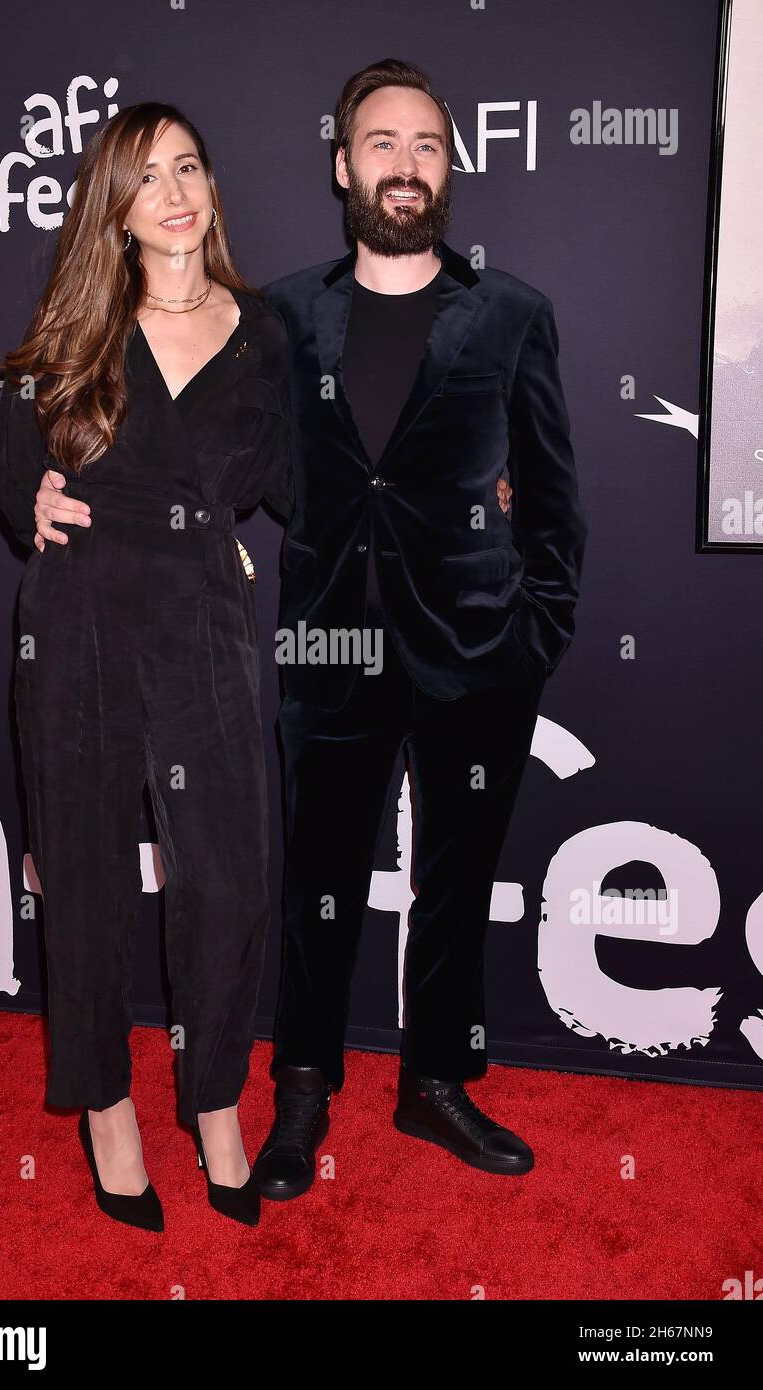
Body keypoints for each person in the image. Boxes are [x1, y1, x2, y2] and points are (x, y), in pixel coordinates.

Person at [252, 59, 587, 1200]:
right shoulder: (282, 314)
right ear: (343, 165)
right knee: (319, 881)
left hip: (476, 653)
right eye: (382, 143)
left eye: (427, 144)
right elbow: (206, 453)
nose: (405, 164)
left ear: (450, 167)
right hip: (328, 648)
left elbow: (552, 496)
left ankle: (434, 1081)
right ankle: (302, 1091)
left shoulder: (511, 315)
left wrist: (533, 634)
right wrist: (57, 486)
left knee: (456, 878)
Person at [0, 102, 292, 1231]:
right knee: (77, 878)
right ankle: (105, 1106)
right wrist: (31, 495)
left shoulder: (265, 332)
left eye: (188, 167)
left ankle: (215, 1102)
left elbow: (294, 481)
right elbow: (14, 470)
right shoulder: (76, 322)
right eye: (145, 174)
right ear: (113, 208)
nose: (173, 189)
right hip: (74, 622)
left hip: (203, 625)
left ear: (211, 187)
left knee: (227, 879)